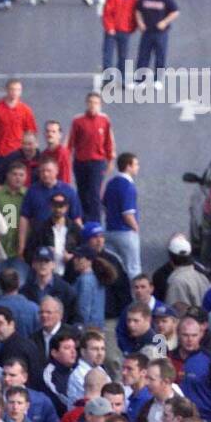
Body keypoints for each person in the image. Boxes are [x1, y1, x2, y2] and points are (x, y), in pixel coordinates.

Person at [67, 91, 115, 224]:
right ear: (86, 104)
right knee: (82, 193)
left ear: (100, 105)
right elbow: (71, 142)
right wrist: (66, 158)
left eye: (96, 103)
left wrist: (110, 159)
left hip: (97, 162)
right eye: (91, 103)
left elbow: (108, 142)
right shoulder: (78, 121)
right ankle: (82, 223)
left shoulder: (104, 120)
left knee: (94, 193)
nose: (93, 106)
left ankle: (95, 224)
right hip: (80, 162)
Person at [0, 79, 37, 184]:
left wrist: (31, 151)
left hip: (18, 154)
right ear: (6, 90)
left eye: (18, 90)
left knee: (18, 183)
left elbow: (30, 133)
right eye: (12, 89)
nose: (15, 93)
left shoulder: (26, 110)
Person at [102, 152, 141, 282]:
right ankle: (135, 299)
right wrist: (135, 228)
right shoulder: (128, 186)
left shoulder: (111, 183)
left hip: (110, 231)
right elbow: (127, 214)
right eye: (136, 164)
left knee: (112, 268)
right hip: (125, 232)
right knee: (133, 269)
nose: (138, 167)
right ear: (128, 166)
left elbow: (104, 205)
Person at [135, 0, 179, 82]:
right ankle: (140, 80)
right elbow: (137, 10)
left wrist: (165, 22)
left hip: (161, 33)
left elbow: (175, 12)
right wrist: (140, 22)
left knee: (160, 56)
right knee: (143, 56)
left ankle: (157, 80)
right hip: (147, 32)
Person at [101, 0, 136, 76]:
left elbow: (135, 15)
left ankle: (123, 77)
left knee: (123, 56)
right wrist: (109, 27)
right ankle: (107, 78)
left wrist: (131, 28)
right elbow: (107, 13)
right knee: (108, 55)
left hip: (125, 31)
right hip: (112, 31)